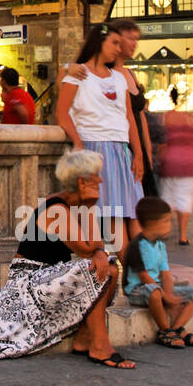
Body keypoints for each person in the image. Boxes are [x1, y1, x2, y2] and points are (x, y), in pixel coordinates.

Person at [0, 149, 132, 367]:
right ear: (82, 181)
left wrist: (99, 249)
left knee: (109, 269)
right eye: (96, 175)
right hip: (26, 284)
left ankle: (85, 339)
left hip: (46, 278)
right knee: (107, 270)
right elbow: (87, 249)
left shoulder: (76, 205)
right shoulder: (57, 209)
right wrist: (91, 213)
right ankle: (100, 347)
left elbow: (97, 248)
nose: (101, 179)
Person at [56, 24, 143, 250]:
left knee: (134, 214)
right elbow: (62, 113)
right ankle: (136, 278)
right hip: (95, 148)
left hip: (121, 149)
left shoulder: (119, 77)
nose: (119, 47)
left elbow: (129, 117)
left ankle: (145, 274)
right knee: (113, 219)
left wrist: (139, 153)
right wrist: (77, 141)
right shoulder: (77, 74)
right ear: (98, 43)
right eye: (114, 43)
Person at [122, 196, 193, 348]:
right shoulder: (136, 245)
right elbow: (144, 276)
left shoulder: (160, 244)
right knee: (155, 293)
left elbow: (165, 274)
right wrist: (166, 296)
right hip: (137, 290)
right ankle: (164, 330)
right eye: (166, 221)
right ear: (152, 224)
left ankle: (177, 328)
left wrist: (170, 294)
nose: (170, 226)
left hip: (157, 286)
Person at [155, 87, 193, 246]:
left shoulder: (166, 117)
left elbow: (163, 142)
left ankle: (164, 230)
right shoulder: (192, 118)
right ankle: (182, 235)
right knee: (185, 199)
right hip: (189, 163)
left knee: (167, 198)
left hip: (170, 162)